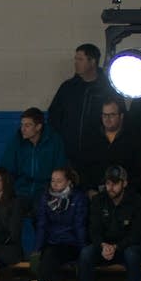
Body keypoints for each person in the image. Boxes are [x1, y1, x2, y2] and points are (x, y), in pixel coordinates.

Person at [79, 164, 141, 281]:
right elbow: (93, 230)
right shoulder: (98, 200)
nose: (111, 187)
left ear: (125, 183)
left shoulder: (137, 201)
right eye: (108, 183)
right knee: (86, 254)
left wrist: (117, 247)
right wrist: (102, 245)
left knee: (132, 255)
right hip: (104, 247)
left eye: (115, 183)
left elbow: (137, 234)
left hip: (126, 246)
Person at [48, 43, 119, 185]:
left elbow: (117, 120)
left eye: (80, 59)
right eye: (76, 59)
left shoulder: (107, 89)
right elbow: (54, 116)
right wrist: (63, 140)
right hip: (70, 155)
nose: (76, 63)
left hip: (99, 155)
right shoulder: (68, 88)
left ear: (92, 62)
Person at [23, 166, 87, 281]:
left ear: (69, 182)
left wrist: (83, 253)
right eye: (53, 181)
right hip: (52, 243)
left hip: (71, 244)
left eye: (59, 181)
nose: (55, 184)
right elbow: (42, 225)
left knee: (51, 255)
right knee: (48, 256)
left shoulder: (78, 198)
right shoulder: (46, 197)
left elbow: (80, 226)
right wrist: (36, 250)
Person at [79, 96, 141, 192]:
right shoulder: (92, 138)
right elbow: (84, 167)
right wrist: (89, 189)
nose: (107, 119)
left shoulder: (133, 139)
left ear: (121, 116)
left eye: (112, 115)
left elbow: (138, 171)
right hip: (96, 193)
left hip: (124, 194)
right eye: (104, 115)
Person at [1, 107, 66, 202]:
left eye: (27, 125)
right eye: (22, 125)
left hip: (46, 193)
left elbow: (61, 170)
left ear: (38, 127)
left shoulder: (54, 141)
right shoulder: (17, 141)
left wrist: (53, 192)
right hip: (21, 192)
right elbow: (6, 169)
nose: (23, 129)